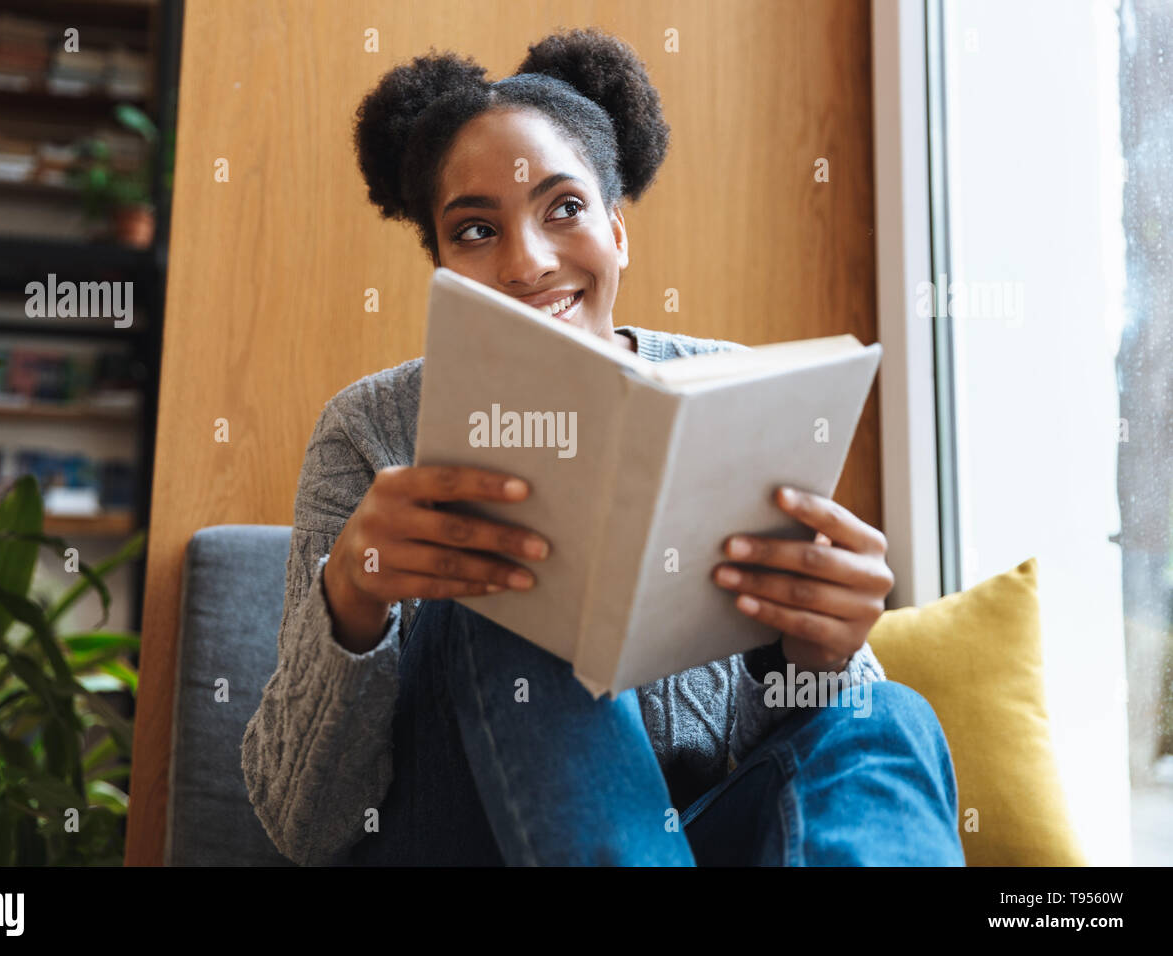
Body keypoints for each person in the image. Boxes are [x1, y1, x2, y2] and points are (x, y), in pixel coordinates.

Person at [242, 27, 965, 866]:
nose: (527, 262)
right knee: (510, 586)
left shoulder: (726, 386)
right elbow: (300, 823)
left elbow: (815, 750)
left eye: (566, 208)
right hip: (464, 837)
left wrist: (824, 657)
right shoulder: (367, 429)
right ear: (438, 261)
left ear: (617, 231)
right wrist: (353, 597)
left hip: (691, 839)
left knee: (890, 714)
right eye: (476, 230)